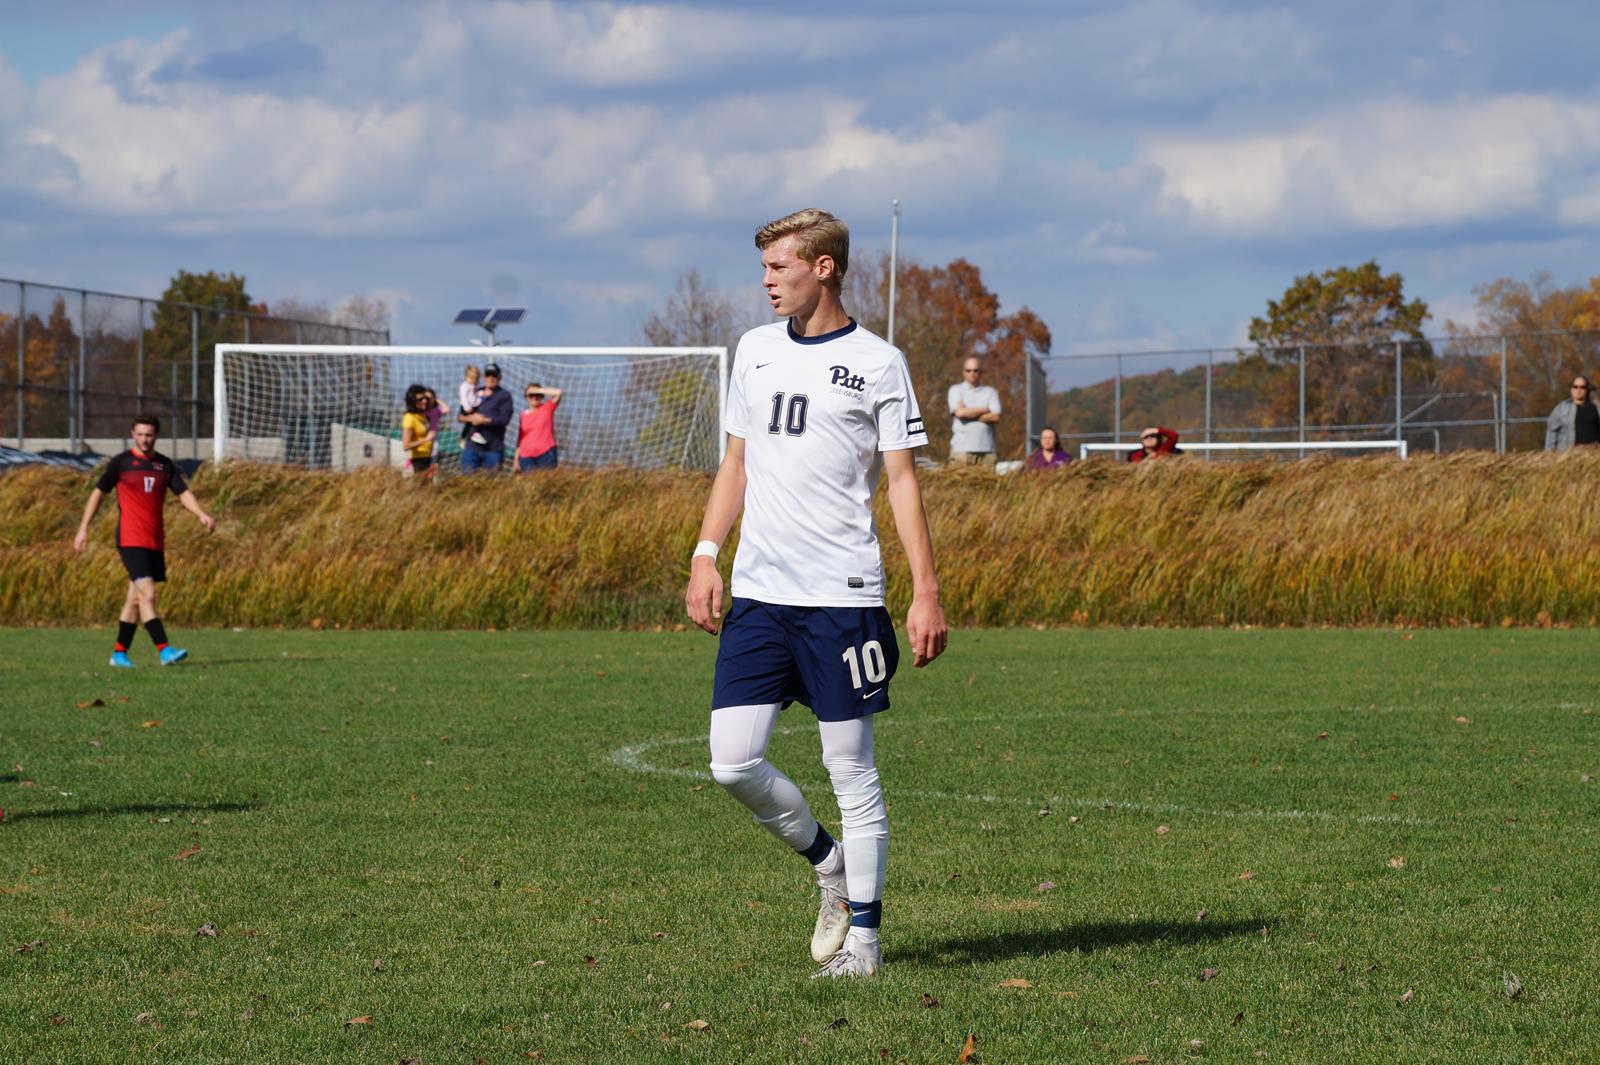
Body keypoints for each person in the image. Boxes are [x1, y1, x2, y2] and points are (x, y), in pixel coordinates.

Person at [685, 208, 948, 981]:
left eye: (779, 267)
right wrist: (707, 554)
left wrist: (925, 590)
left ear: (824, 267)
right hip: (761, 595)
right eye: (764, 269)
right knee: (733, 763)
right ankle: (827, 864)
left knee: (850, 765)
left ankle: (864, 944)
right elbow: (735, 463)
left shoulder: (878, 362)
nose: (766, 282)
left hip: (844, 595)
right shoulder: (754, 351)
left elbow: (902, 482)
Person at [73, 415, 216, 667]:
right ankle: (164, 650)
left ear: (156, 436)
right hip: (130, 540)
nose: (144, 439)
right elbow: (98, 493)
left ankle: (119, 654)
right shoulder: (121, 463)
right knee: (148, 594)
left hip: (154, 541)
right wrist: (83, 528)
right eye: (139, 434)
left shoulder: (164, 465)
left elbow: (182, 492)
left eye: (149, 435)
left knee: (135, 598)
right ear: (132, 434)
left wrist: (201, 514)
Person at [946, 357, 1002, 467]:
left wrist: (968, 414)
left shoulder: (990, 392)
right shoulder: (955, 390)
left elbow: (996, 417)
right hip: (961, 452)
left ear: (981, 372)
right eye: (968, 370)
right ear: (963, 372)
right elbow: (960, 413)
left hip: (987, 451)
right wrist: (985, 409)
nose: (972, 373)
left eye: (976, 370)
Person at [458, 363, 513, 472]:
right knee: (467, 481)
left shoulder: (505, 396)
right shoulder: (475, 392)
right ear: (483, 377)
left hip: (493, 448)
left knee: (493, 483)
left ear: (499, 378)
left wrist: (484, 420)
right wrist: (471, 418)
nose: (491, 378)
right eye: (488, 375)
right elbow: (460, 416)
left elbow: (504, 419)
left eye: (494, 375)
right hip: (472, 446)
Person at [516, 383, 565, 471]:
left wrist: (538, 390)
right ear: (526, 397)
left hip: (546, 453)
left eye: (537, 395)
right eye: (531, 395)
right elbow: (520, 439)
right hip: (526, 456)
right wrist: (516, 460)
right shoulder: (522, 415)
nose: (534, 397)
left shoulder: (547, 408)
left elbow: (559, 392)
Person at [1544, 375, 1600, 451]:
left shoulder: (1596, 408)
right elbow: (1551, 432)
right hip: (1568, 457)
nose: (1578, 390)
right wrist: (1550, 453)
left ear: (1587, 389)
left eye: (1582, 387)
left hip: (1593, 456)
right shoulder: (1560, 409)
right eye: (1575, 387)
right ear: (1571, 389)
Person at [400, 384, 438, 478]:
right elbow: (406, 445)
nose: (424, 401)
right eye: (420, 399)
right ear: (413, 401)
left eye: (425, 398)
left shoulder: (424, 415)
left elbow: (440, 408)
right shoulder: (409, 418)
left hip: (429, 457)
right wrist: (426, 439)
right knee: (421, 489)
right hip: (418, 460)